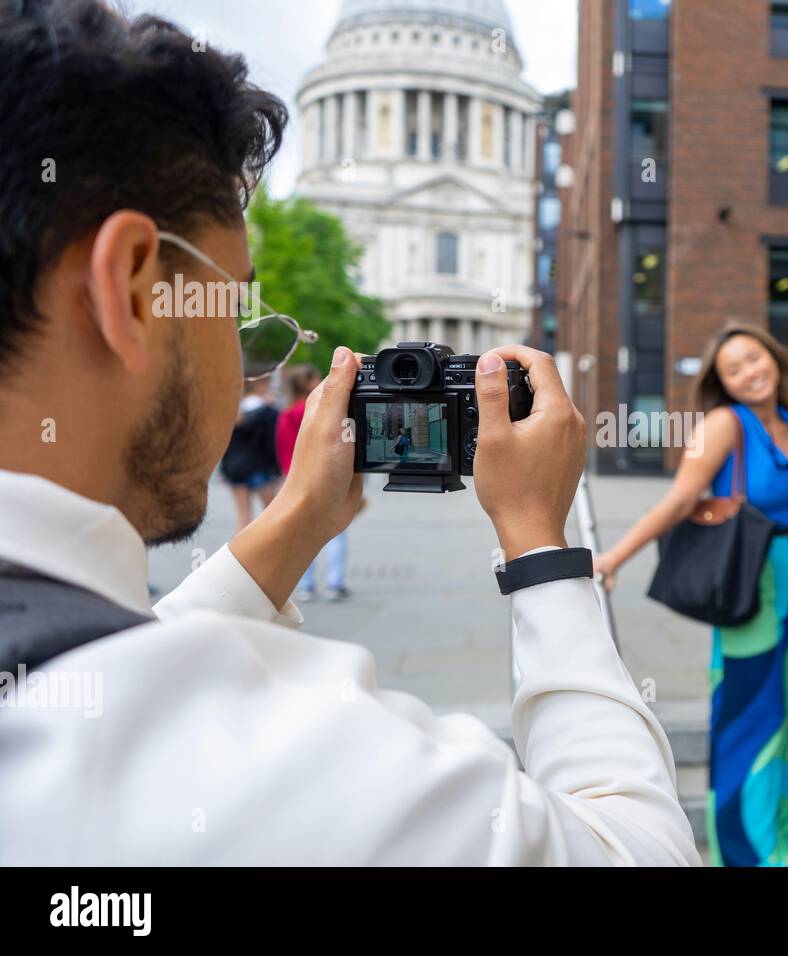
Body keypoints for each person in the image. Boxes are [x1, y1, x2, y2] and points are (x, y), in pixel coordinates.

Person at [0, 0, 699, 866]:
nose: (251, 354)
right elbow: (640, 851)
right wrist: (543, 553)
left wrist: (294, 525)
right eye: (239, 303)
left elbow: (100, 665)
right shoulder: (294, 768)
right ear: (136, 289)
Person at [594, 323, 788, 867]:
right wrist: (614, 557)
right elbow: (681, 500)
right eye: (735, 369)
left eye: (755, 359)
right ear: (723, 383)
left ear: (773, 359)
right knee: (751, 708)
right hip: (751, 578)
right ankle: (747, 852)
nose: (750, 372)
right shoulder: (726, 424)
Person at [276, 364, 349, 602]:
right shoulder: (320, 411)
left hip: (300, 479)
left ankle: (306, 585)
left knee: (302, 534)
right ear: (307, 383)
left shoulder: (287, 414)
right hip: (328, 477)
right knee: (336, 532)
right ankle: (334, 583)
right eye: (316, 376)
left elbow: (285, 452)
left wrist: (292, 480)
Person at [221, 377, 282, 531]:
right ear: (261, 385)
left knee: (243, 517)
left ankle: (239, 554)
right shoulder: (268, 412)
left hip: (236, 468)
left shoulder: (235, 411)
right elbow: (272, 443)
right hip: (260, 468)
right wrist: (276, 469)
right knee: (272, 513)